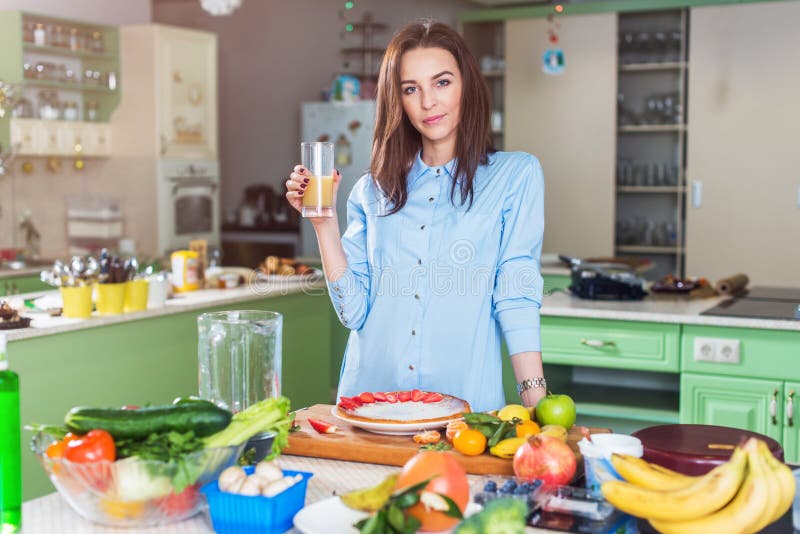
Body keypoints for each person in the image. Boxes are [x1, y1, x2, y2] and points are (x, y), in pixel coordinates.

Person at [285, 20, 546, 413]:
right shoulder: (372, 189)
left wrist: (537, 403)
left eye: (442, 82)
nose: (428, 102)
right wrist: (324, 224)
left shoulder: (515, 176)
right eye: (411, 89)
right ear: (398, 101)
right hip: (370, 407)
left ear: (467, 86)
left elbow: (516, 293)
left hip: (464, 412)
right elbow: (353, 312)